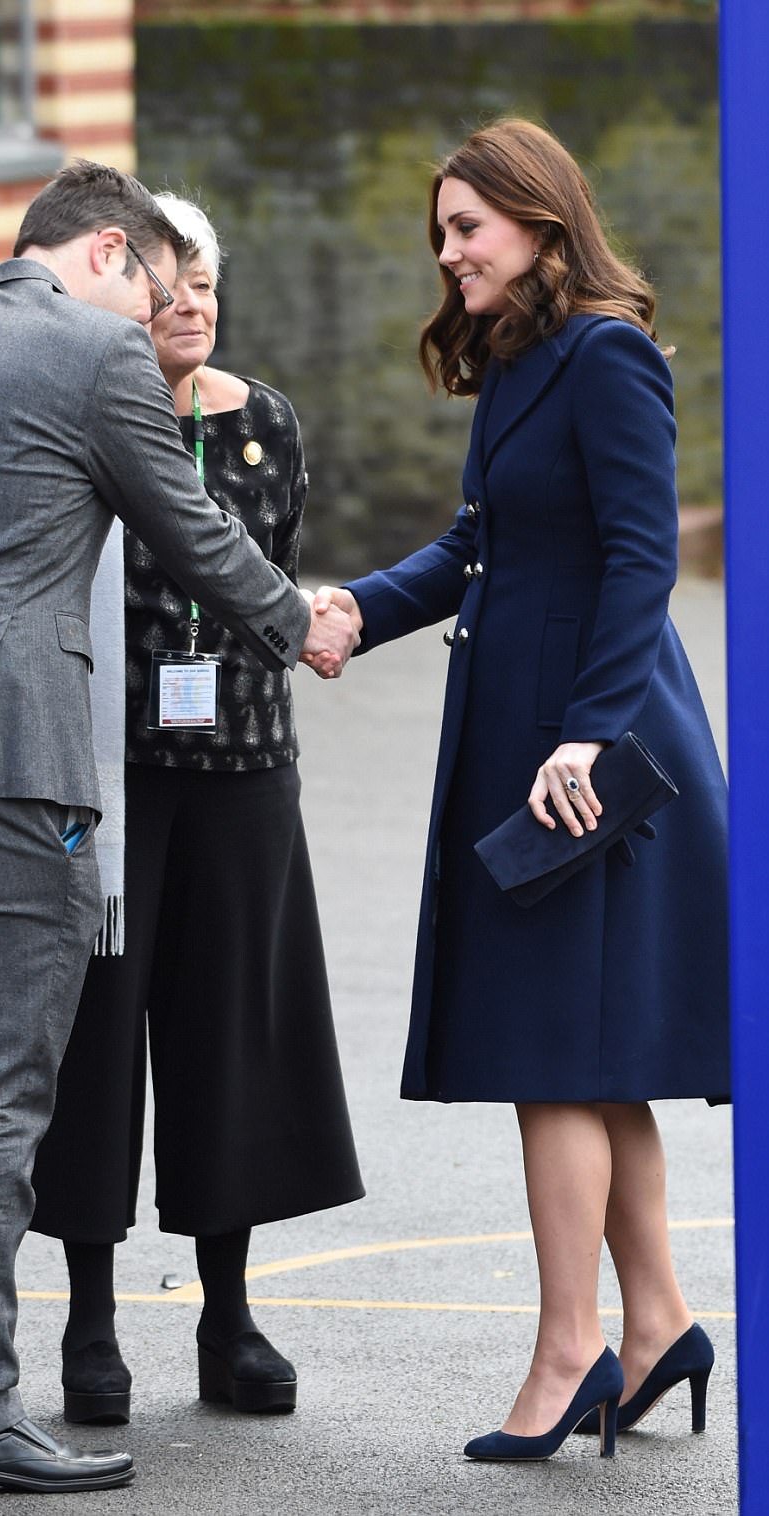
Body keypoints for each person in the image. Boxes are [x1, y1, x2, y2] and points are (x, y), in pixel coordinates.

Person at [0, 161, 358, 1497]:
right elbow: (190, 537)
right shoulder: (95, 358)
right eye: (158, 288)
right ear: (109, 252)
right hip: (3, 773)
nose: (163, 314)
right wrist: (300, 620)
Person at [311, 118, 729, 1462]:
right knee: (592, 1059)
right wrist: (347, 614)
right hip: (535, 732)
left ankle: (570, 1353)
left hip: (586, 749)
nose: (448, 256)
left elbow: (636, 554)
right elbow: (474, 549)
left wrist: (585, 734)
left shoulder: (605, 356)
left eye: (466, 231)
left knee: (556, 1056)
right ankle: (656, 1323)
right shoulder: (516, 364)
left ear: (540, 224)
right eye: (440, 235)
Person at [30, 193, 364, 1422]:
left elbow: (272, 569)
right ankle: (91, 1327)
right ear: (130, 298)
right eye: (171, 290)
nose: (192, 307)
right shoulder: (85, 415)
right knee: (96, 1046)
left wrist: (315, 614)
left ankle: (229, 1320)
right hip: (109, 776)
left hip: (242, 774)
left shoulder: (265, 420)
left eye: (208, 287)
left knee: (234, 1042)